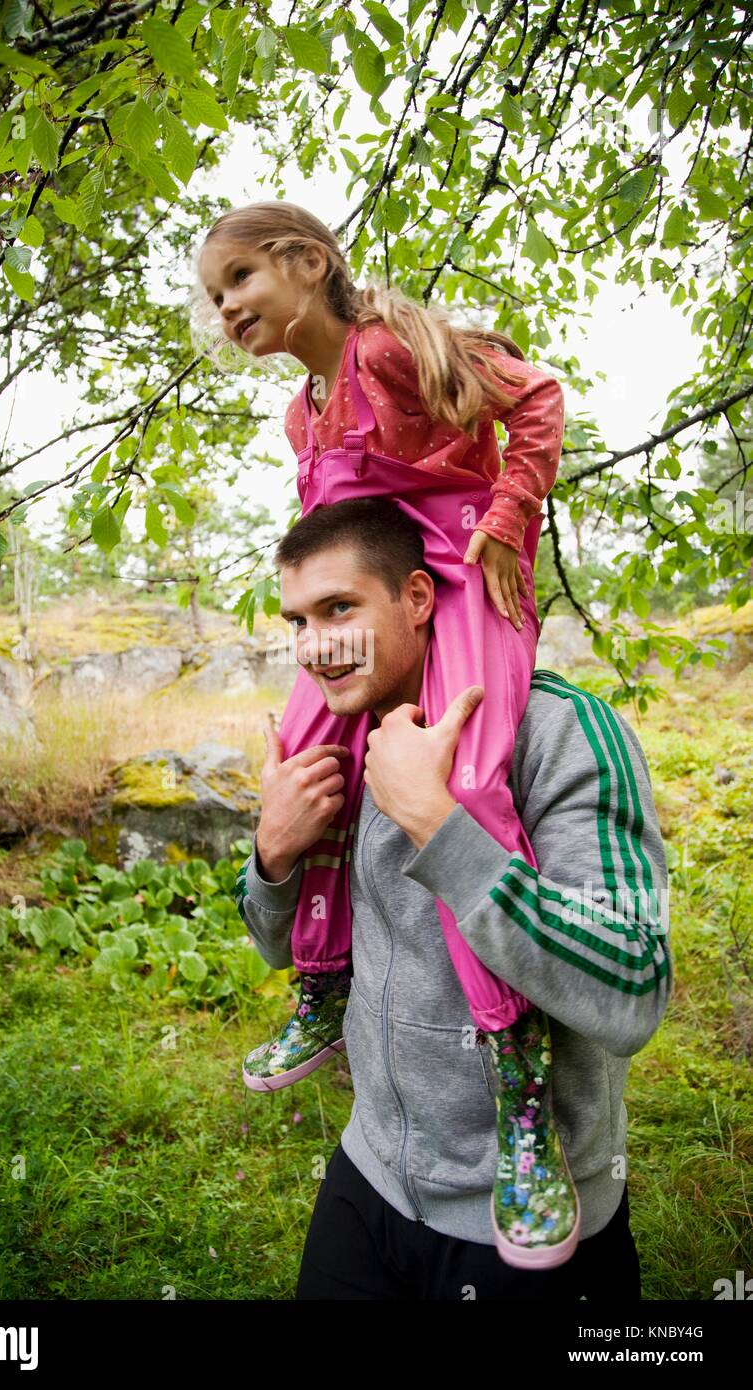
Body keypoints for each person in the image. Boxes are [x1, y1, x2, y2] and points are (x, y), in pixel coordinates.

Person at [194, 200, 572, 1265]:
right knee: (304, 762)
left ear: (305, 261)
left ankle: (519, 1090)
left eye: (237, 281)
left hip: (463, 580)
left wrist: (508, 514)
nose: (224, 308)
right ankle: (322, 979)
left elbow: (533, 395)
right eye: (214, 297)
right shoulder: (299, 413)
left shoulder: (385, 349)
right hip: (379, 606)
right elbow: (334, 540)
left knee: (469, 785)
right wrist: (317, 619)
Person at [235, 496, 672, 1300]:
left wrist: (440, 825)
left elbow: (632, 990)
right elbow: (279, 945)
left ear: (417, 597)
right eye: (297, 620)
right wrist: (273, 853)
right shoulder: (345, 739)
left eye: (339, 608)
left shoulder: (563, 732)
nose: (313, 646)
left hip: (523, 1227)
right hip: (372, 1172)